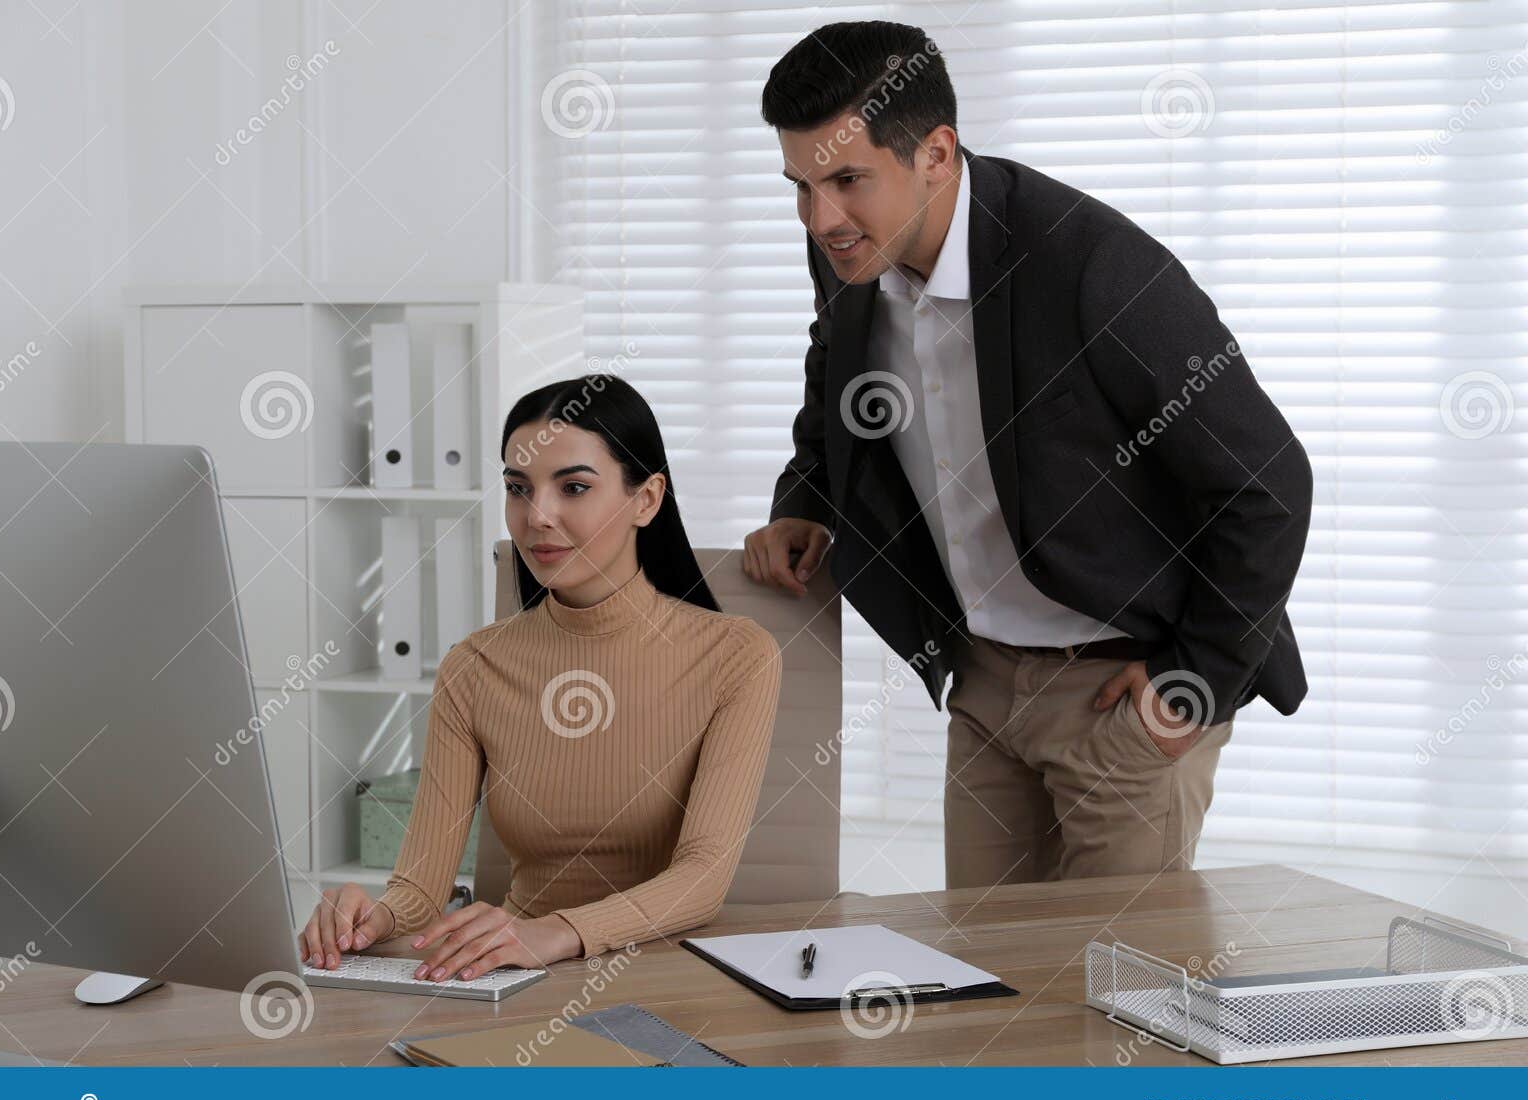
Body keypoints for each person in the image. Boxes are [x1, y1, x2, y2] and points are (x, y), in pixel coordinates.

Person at [742, 21, 1312, 888]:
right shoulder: (852, 249)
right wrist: (806, 497)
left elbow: (1268, 481)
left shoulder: (1093, 266)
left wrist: (1192, 683)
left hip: (1119, 692)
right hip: (980, 686)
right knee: (977, 984)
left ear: (936, 153)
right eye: (801, 185)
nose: (821, 218)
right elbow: (837, 391)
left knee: (1109, 1004)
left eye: (848, 179)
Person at [300, 375, 782, 981]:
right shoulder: (474, 666)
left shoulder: (735, 654)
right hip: (513, 974)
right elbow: (420, 889)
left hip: (669, 975)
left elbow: (703, 877)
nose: (536, 517)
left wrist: (556, 933)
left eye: (573, 487)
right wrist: (370, 919)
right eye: (518, 489)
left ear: (647, 499)